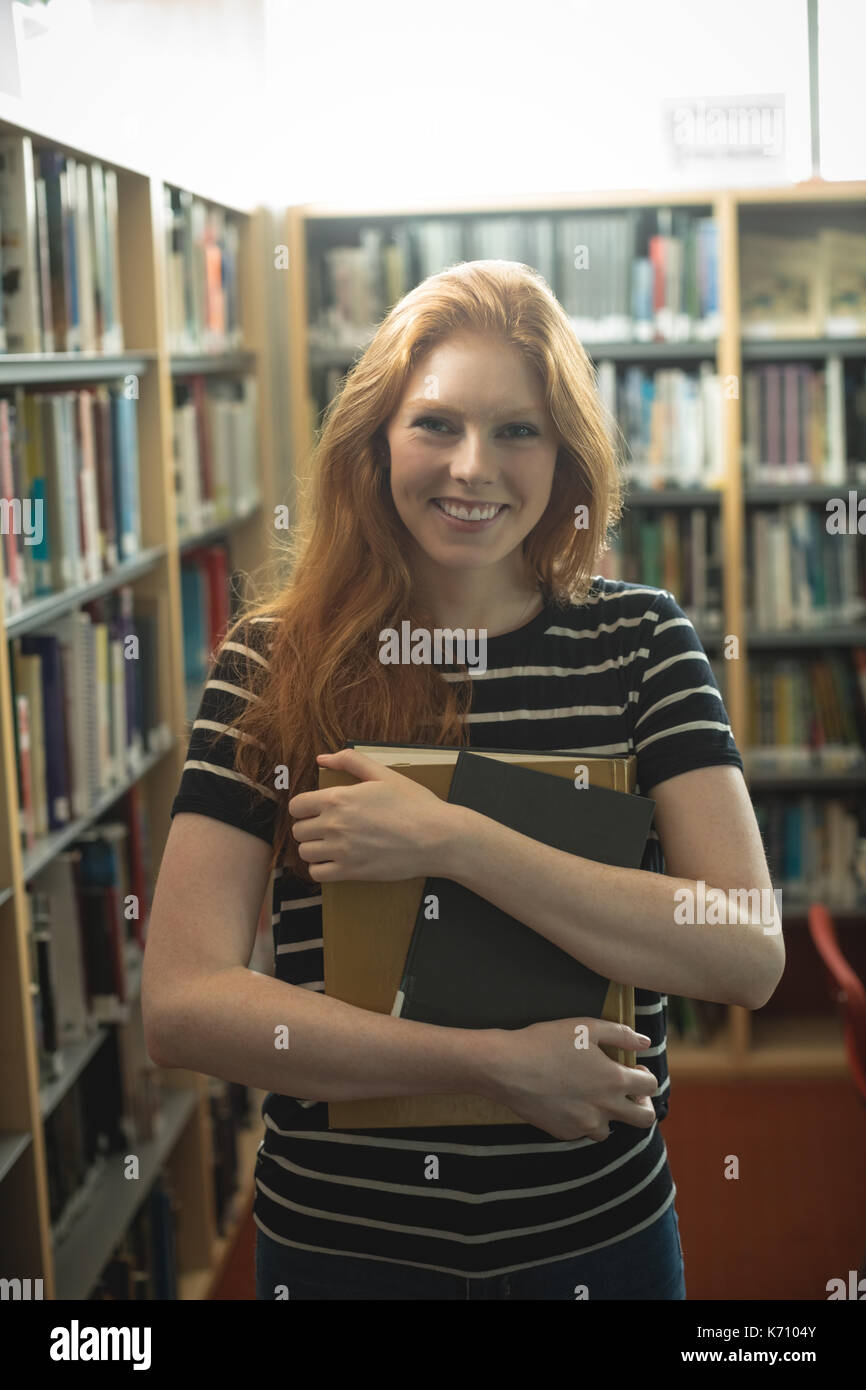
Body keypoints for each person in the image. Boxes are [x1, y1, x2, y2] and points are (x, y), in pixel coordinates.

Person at [142, 260, 784, 1301]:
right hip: (343, 1245)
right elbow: (181, 1004)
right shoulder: (273, 658)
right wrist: (491, 1063)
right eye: (434, 424)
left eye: (517, 430)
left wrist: (452, 840)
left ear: (564, 450)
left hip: (596, 1239)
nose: (472, 467)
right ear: (375, 439)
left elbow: (747, 952)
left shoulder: (641, 643)